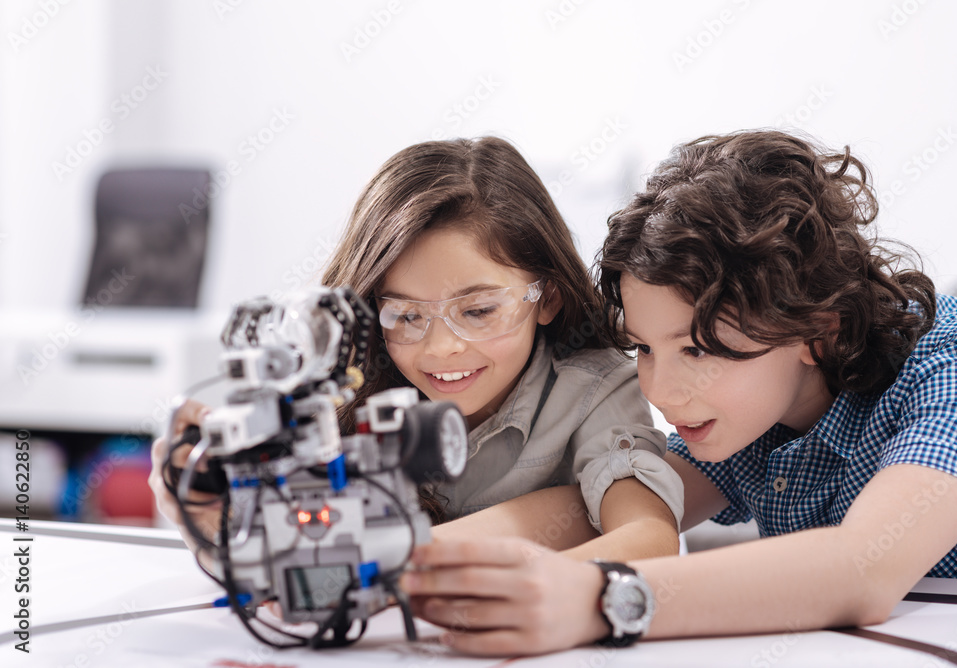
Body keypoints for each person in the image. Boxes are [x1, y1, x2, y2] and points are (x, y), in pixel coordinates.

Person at [397, 130, 957, 656]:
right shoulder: (751, 406)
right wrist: (402, 559)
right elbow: (606, 499)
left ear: (818, 333)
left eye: (698, 350)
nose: (662, 391)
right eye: (645, 349)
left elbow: (862, 570)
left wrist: (597, 597)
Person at [149, 136, 684, 562]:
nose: (442, 348)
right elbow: (273, 564)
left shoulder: (594, 389)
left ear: (547, 298)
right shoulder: (340, 397)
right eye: (405, 316)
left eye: (478, 311)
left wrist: (410, 560)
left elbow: (650, 540)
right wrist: (204, 515)